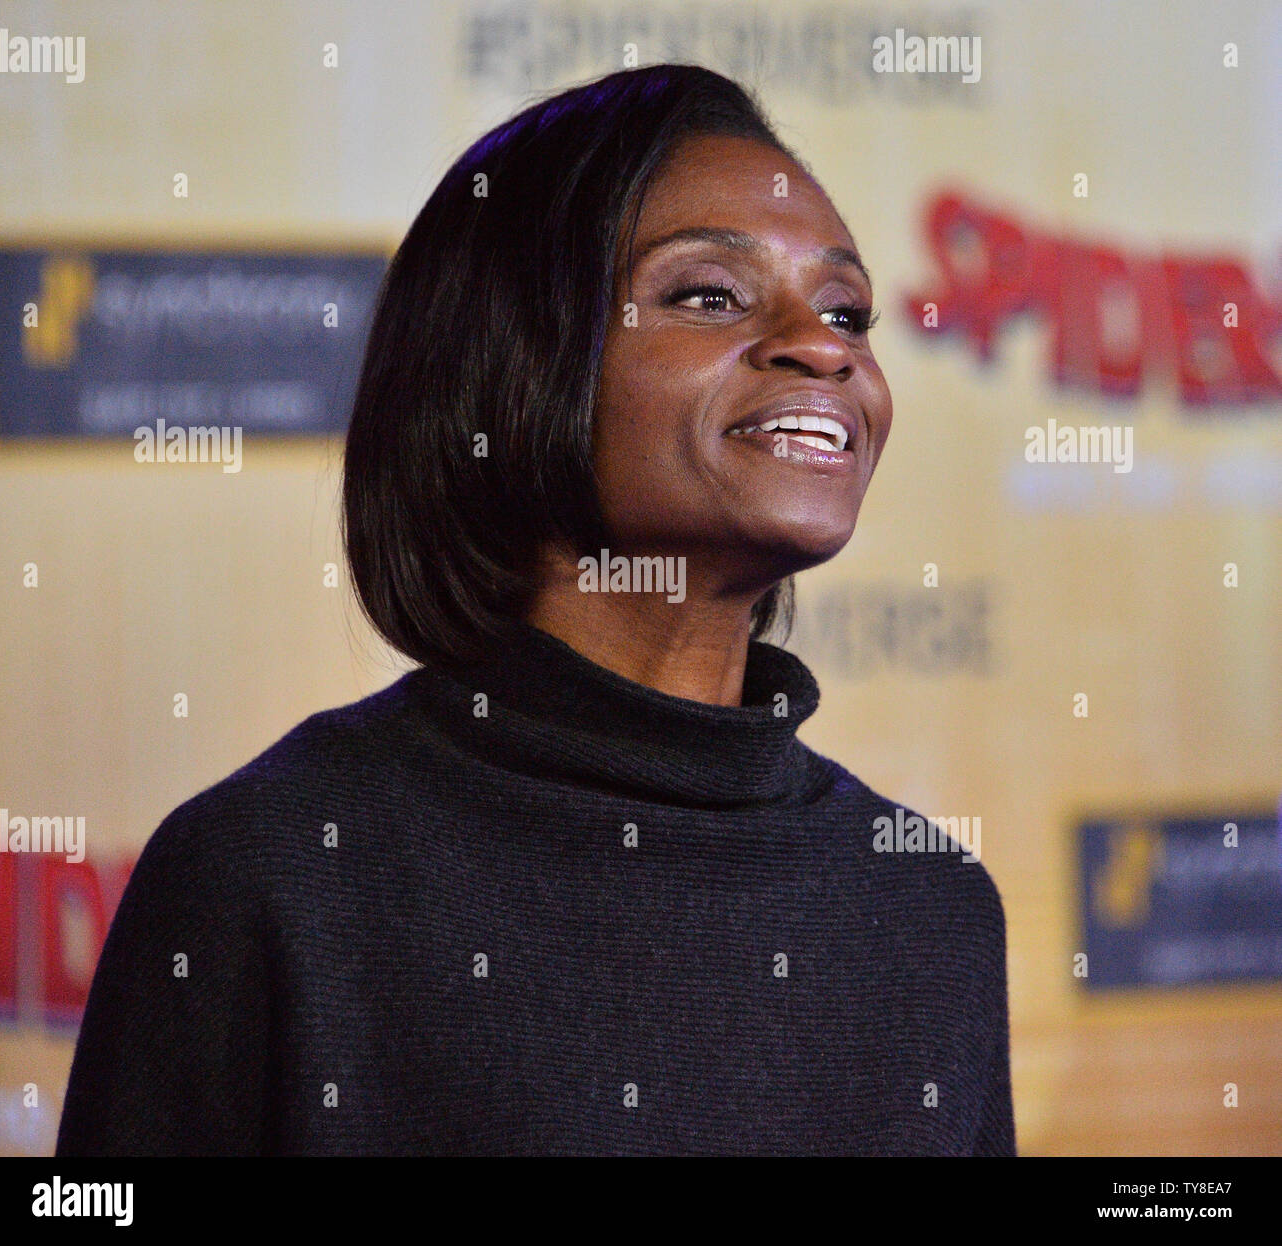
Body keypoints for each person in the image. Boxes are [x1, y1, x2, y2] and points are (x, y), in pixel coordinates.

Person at [56, 63, 1015, 1156]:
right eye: (709, 294)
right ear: (513, 360)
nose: (826, 346)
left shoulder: (928, 904)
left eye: (846, 309)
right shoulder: (266, 873)